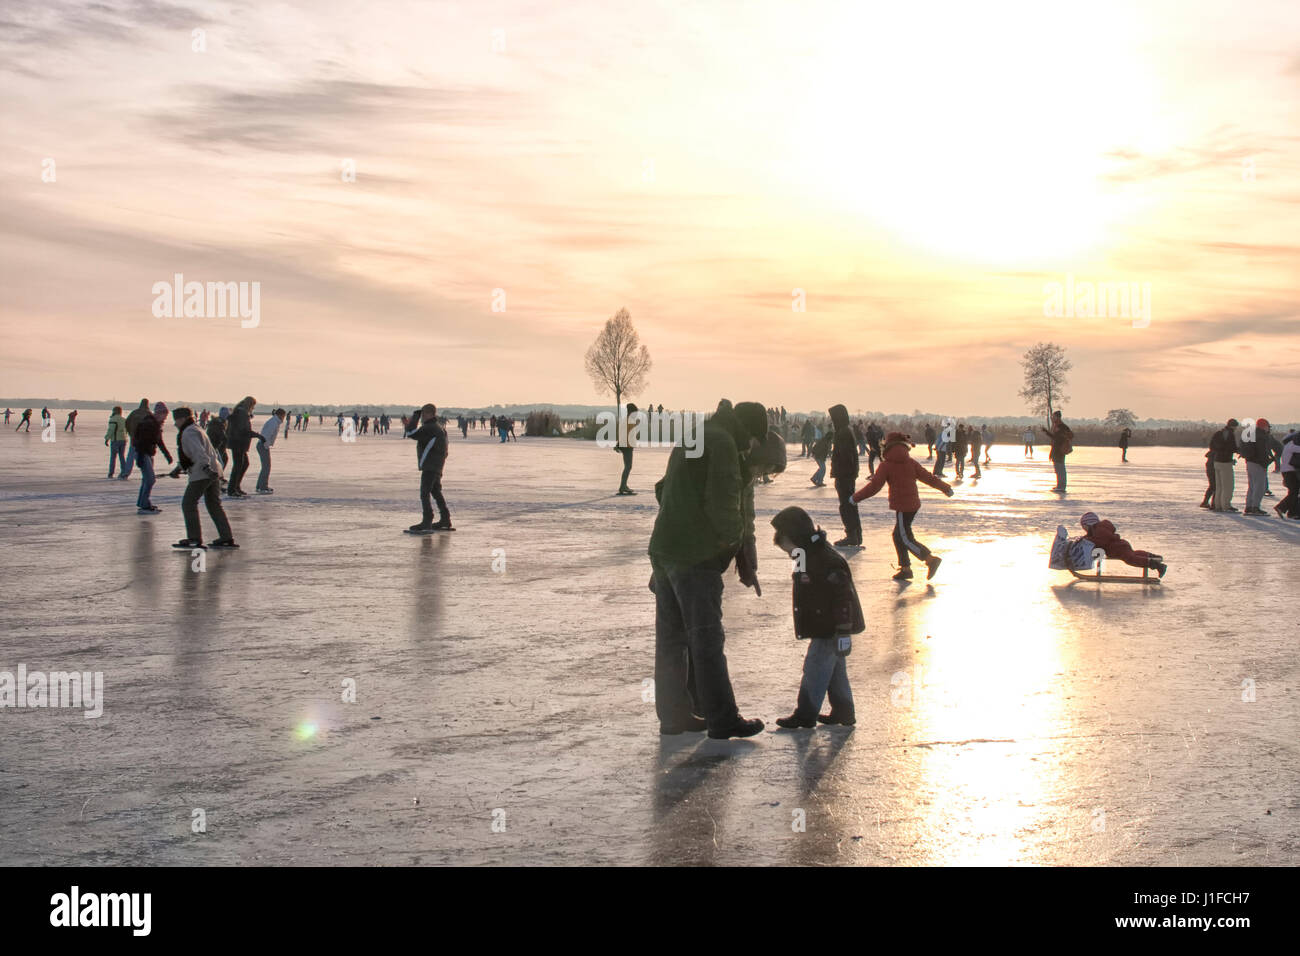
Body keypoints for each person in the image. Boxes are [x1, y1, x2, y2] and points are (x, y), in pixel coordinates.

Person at [649, 399, 768, 740]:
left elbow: (663, 489)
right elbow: (723, 505)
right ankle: (722, 719)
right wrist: (730, 548)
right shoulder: (724, 444)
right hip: (693, 555)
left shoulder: (701, 434)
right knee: (706, 639)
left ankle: (675, 716)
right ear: (751, 433)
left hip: (665, 548)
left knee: (672, 640)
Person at [770, 506, 862, 729]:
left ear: (796, 538)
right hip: (823, 625)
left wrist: (843, 629)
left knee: (815, 669)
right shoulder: (805, 555)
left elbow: (843, 596)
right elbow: (804, 587)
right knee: (835, 671)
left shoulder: (826, 560)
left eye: (789, 550)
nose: (790, 555)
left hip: (831, 627)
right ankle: (844, 711)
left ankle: (805, 714)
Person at [851, 431, 953, 580]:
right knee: (899, 535)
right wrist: (945, 488)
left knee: (904, 538)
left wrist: (855, 498)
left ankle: (930, 560)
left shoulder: (887, 465)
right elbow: (929, 478)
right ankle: (905, 568)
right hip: (913, 504)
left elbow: (874, 487)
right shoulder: (911, 462)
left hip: (903, 506)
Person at [170, 407, 237, 549]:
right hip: (213, 470)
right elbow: (195, 454)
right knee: (214, 504)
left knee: (188, 503)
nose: (175, 424)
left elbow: (199, 454)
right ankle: (226, 537)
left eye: (176, 420)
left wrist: (206, 469)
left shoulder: (188, 432)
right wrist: (178, 469)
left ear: (182, 419)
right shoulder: (197, 428)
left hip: (203, 472)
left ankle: (194, 538)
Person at [405, 403, 452, 531]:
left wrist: (414, 417)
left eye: (423, 414)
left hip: (431, 465)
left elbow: (410, 432)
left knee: (424, 492)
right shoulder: (439, 427)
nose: (422, 417)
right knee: (435, 491)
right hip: (437, 465)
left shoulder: (430, 427)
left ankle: (427, 520)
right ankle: (445, 519)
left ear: (430, 414)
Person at [1079, 512, 1166, 577]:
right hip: (1120, 546)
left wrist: (1088, 540)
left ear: (1088, 524)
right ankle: (1151, 556)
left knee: (1131, 559)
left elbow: (1101, 541)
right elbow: (1096, 538)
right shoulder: (1097, 530)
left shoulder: (1099, 531)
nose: (1084, 529)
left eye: (1084, 527)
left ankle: (1156, 564)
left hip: (1118, 549)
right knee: (1133, 554)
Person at [827, 404, 862, 547]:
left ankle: (852, 535)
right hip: (847, 474)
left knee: (846, 506)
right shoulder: (846, 431)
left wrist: (842, 472)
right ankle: (856, 535)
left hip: (844, 475)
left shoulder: (843, 433)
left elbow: (846, 456)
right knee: (850, 506)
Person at [133, 402, 173, 514]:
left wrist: (167, 455)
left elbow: (159, 441)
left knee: (147, 479)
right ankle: (145, 504)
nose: (165, 417)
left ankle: (142, 503)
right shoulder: (149, 424)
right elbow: (140, 441)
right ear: (159, 413)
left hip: (148, 454)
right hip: (143, 453)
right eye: (164, 414)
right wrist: (140, 457)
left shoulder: (156, 424)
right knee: (150, 479)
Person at [225, 397, 257, 498]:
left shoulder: (240, 412)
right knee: (239, 465)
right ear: (250, 405)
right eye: (253, 406)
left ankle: (235, 487)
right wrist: (256, 435)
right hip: (238, 443)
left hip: (238, 443)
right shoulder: (242, 414)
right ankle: (232, 489)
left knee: (243, 464)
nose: (253, 408)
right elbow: (243, 430)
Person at [1241, 419, 1273, 516]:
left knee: (1252, 486)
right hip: (1258, 463)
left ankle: (1249, 506)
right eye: (1268, 426)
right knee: (1260, 487)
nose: (1269, 428)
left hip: (1249, 462)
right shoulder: (1261, 436)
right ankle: (1255, 507)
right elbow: (1262, 452)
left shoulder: (1251, 434)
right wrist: (1265, 463)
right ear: (1264, 426)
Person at [1209, 419, 1238, 512]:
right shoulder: (1230, 434)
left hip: (1216, 461)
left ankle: (1218, 505)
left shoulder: (1218, 433)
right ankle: (1226, 505)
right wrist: (1239, 450)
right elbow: (1232, 447)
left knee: (1219, 486)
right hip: (1225, 462)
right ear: (1233, 426)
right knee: (1228, 485)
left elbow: (1211, 446)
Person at [255, 408, 285, 494]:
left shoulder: (275, 421)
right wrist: (266, 445)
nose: (284, 418)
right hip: (263, 445)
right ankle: (263, 487)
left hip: (263, 445)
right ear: (280, 415)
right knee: (266, 466)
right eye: (283, 416)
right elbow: (266, 435)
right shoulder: (273, 422)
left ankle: (260, 486)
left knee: (266, 466)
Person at [1042, 411, 1073, 492]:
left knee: (1060, 468)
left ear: (1057, 417)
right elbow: (1055, 437)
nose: (1052, 418)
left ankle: (1061, 486)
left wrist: (1046, 432)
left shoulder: (1061, 426)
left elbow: (1056, 438)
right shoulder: (1058, 426)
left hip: (1059, 450)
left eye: (1053, 416)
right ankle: (1060, 485)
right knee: (1058, 468)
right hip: (1057, 449)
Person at [122, 398, 150, 479]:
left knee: (131, 455)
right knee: (146, 456)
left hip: (134, 437)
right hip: (144, 439)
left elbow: (127, 422)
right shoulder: (148, 413)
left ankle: (126, 472)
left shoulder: (134, 412)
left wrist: (130, 433)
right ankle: (147, 473)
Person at [1275, 430, 1299, 519]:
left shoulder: (1289, 444)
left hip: (1288, 471)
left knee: (1293, 491)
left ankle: (1293, 512)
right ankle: (1281, 507)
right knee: (1294, 492)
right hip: (1289, 472)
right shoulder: (1291, 445)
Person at [616, 402, 638, 495]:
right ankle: (623, 486)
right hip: (627, 446)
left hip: (627, 445)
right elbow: (625, 433)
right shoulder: (629, 420)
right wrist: (619, 444)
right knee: (628, 466)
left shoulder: (627, 420)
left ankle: (623, 486)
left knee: (628, 466)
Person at [104, 406, 128, 478]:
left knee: (113, 457)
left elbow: (111, 430)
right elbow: (126, 430)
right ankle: (124, 472)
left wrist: (107, 438)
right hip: (123, 440)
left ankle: (111, 473)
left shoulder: (113, 419)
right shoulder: (124, 420)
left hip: (115, 440)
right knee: (122, 457)